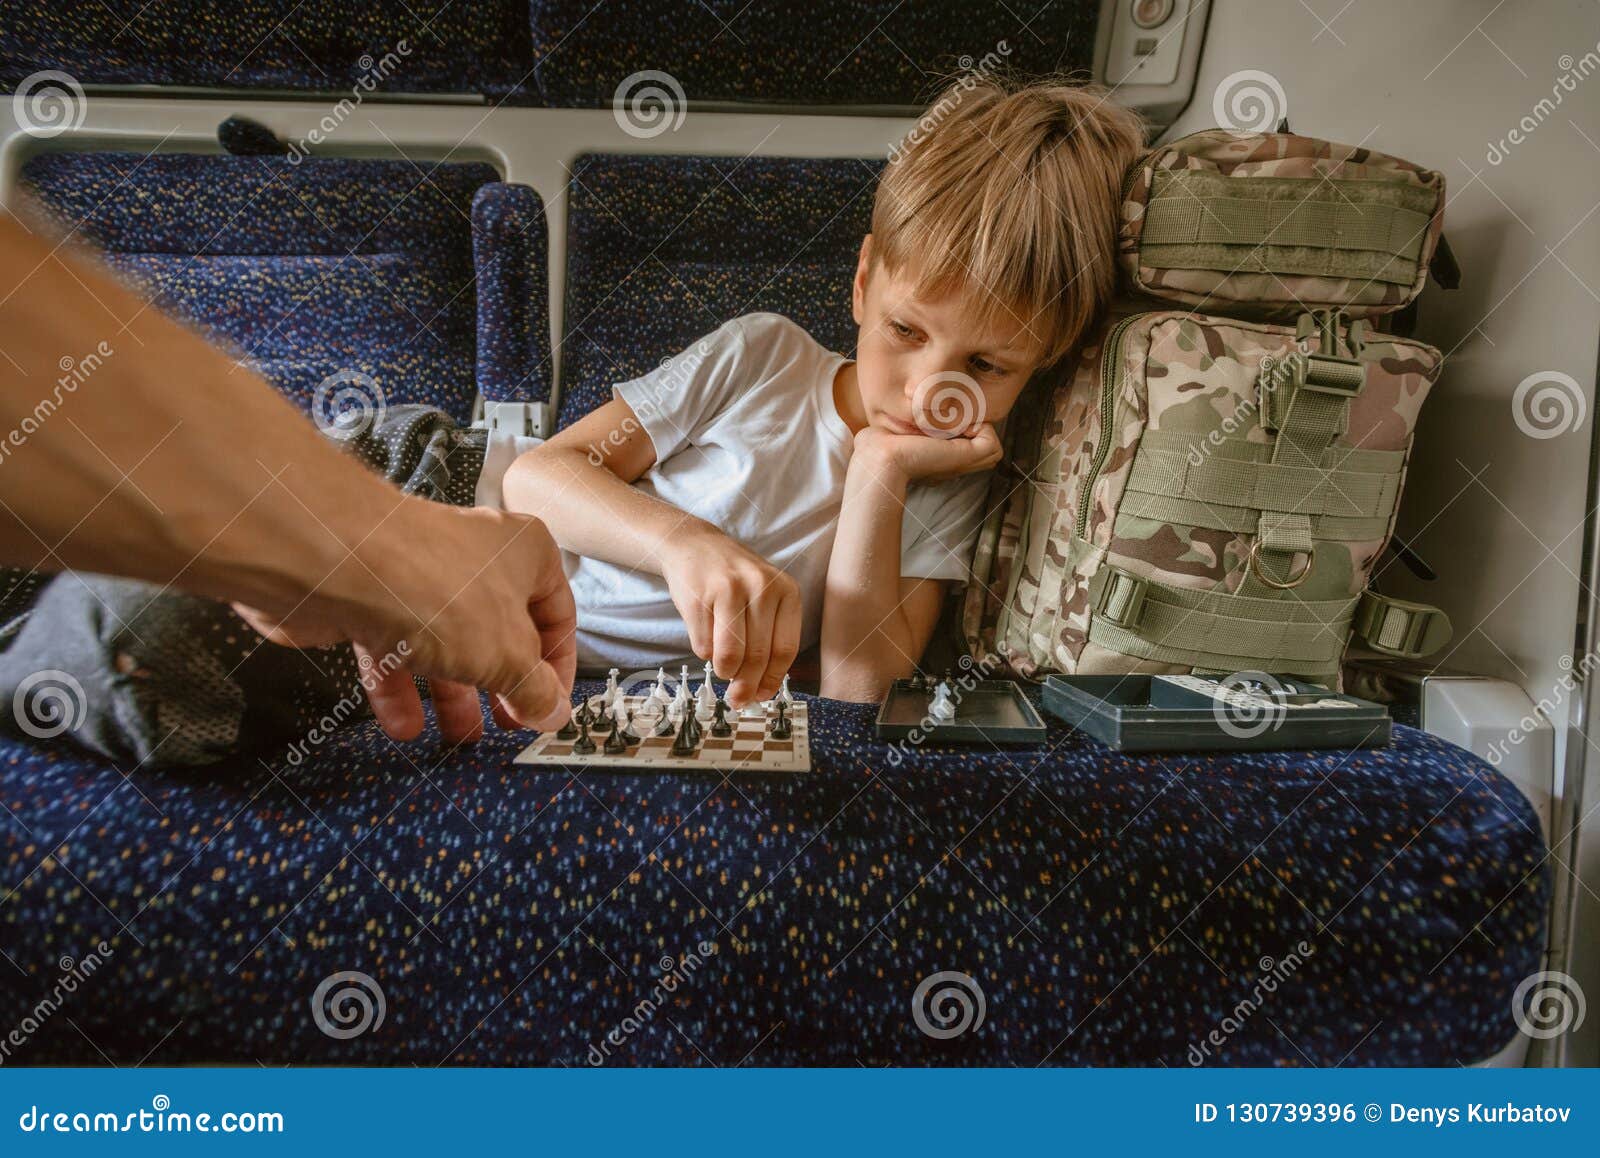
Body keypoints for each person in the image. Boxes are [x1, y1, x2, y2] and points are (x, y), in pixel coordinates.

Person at [504, 74, 1145, 704]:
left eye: (985, 366)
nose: (929, 395)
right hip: (509, 586)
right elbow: (536, 475)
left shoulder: (951, 478)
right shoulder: (763, 354)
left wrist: (879, 467)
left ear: (1043, 362)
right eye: (905, 329)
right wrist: (685, 544)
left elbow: (858, 687)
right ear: (864, 281)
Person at [0, 209, 576, 745]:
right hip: (428, 473)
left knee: (152, 638)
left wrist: (369, 550)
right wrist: (387, 546)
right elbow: (548, 467)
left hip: (411, 585)